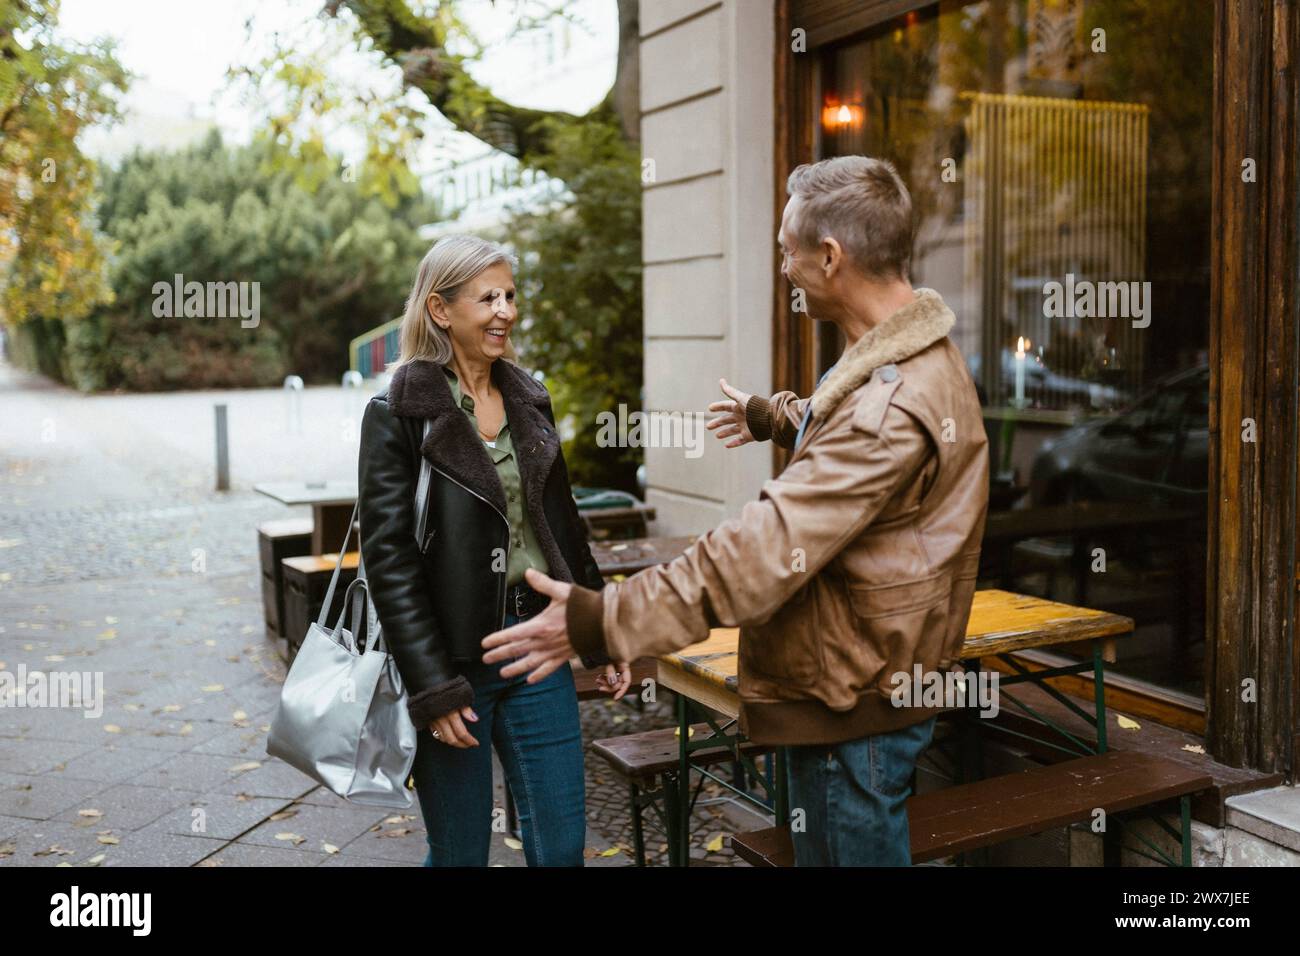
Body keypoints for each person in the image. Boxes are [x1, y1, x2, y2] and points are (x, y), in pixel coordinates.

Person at [482, 157, 990, 866]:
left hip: (851, 711)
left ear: (830, 256)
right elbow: (855, 443)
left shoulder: (889, 407)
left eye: (787, 248)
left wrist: (602, 618)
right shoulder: (915, 358)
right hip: (868, 685)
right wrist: (777, 416)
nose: (783, 266)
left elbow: (760, 550)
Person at [358, 234, 631, 867]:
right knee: (460, 854)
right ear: (441, 310)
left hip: (538, 643)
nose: (506, 310)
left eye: (510, 295)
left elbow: (563, 532)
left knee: (561, 847)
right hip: (455, 656)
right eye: (488, 298)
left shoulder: (529, 400)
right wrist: (432, 686)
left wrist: (599, 633)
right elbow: (390, 560)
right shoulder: (399, 414)